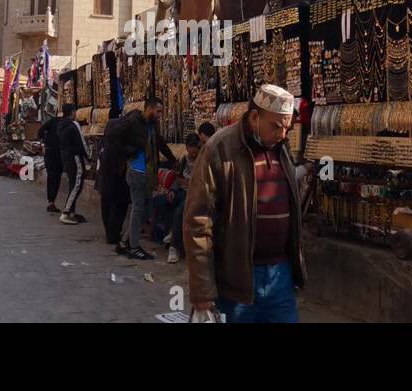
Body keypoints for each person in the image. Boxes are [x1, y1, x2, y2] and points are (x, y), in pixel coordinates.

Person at [185, 84, 305, 324]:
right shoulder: (220, 149)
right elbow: (198, 222)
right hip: (236, 279)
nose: (283, 134)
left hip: (279, 276)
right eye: (276, 126)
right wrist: (202, 290)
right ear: (254, 117)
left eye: (287, 128)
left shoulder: (280, 147)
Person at [118, 97, 177, 261]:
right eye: (157, 111)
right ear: (149, 108)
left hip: (148, 173)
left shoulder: (151, 125)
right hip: (136, 171)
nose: (159, 114)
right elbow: (116, 141)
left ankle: (125, 242)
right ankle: (134, 247)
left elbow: (159, 142)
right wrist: (132, 152)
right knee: (138, 209)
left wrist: (172, 159)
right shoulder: (133, 122)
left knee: (147, 209)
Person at [153, 133, 201, 264]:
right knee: (163, 201)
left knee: (180, 210)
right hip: (182, 192)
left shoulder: (202, 161)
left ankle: (174, 245)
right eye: (190, 147)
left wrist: (189, 183)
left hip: (195, 195)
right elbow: (177, 178)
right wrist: (173, 190)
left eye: (194, 147)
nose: (192, 151)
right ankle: (165, 232)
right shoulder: (184, 160)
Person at [99, 116, 131, 250]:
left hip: (105, 175)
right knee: (118, 205)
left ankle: (110, 232)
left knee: (106, 203)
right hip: (117, 176)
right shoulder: (121, 143)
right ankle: (113, 234)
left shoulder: (106, 142)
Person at [56, 104, 89, 225]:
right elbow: (82, 142)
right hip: (75, 157)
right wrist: (88, 156)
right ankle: (66, 212)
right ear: (72, 112)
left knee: (73, 183)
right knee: (77, 184)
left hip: (66, 156)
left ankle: (72, 212)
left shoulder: (61, 124)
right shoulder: (73, 125)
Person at [38, 111, 65, 213]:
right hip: (59, 153)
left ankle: (51, 202)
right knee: (56, 178)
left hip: (49, 152)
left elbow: (40, 132)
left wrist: (44, 143)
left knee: (51, 177)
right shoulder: (67, 123)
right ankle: (52, 202)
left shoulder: (52, 121)